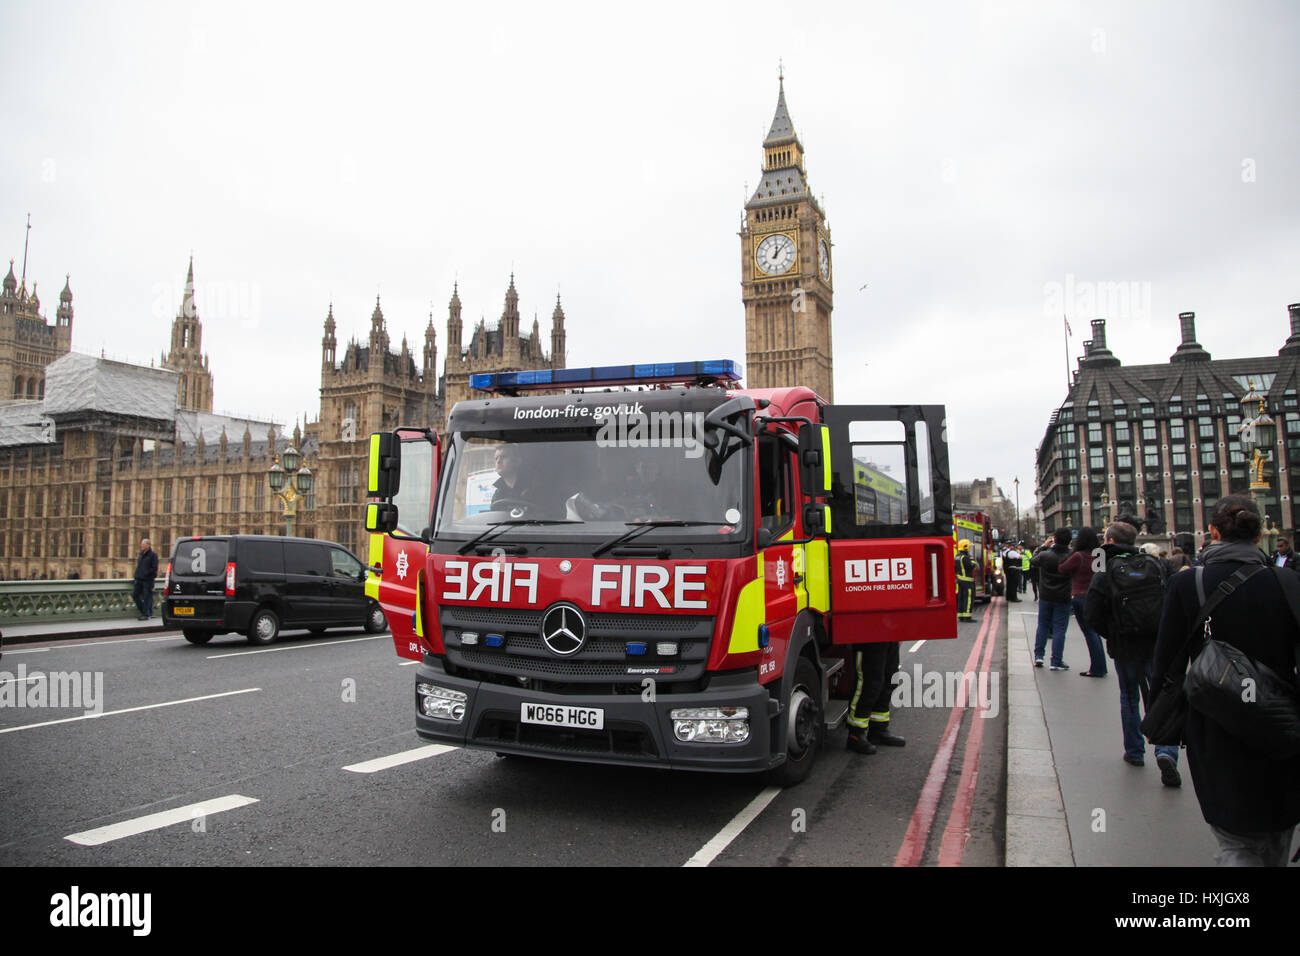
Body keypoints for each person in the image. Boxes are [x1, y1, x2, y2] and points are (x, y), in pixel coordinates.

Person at [1150, 495, 1300, 864]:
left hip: (1216, 723)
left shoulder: (1189, 585)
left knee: (1236, 840)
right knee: (1277, 831)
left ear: (1213, 531)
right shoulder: (1289, 582)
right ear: (1259, 533)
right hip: (1283, 725)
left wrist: (1161, 720)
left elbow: (1166, 662)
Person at [1085, 520, 1181, 785]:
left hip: (1126, 645)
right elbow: (1176, 604)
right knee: (1161, 695)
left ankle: (1135, 751)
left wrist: (1114, 632)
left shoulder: (1105, 568)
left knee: (1129, 697)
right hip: (1158, 645)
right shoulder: (1160, 565)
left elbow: (1091, 613)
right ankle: (1166, 751)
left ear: (1111, 542)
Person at [1058, 526, 1107, 677]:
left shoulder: (1078, 556)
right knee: (1095, 633)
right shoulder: (1100, 555)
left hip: (1080, 596)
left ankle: (1097, 668)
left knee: (1089, 633)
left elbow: (1062, 568)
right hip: (1097, 596)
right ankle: (1100, 666)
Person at [846, 641, 905, 754]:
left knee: (890, 677)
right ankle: (855, 734)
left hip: (889, 631)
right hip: (869, 634)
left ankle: (878, 729)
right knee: (869, 683)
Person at [1031, 528, 1072, 669]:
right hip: (1064, 597)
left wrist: (1043, 546)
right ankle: (1056, 661)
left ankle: (1039, 656)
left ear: (1054, 539)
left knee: (1042, 625)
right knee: (1060, 629)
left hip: (1046, 596)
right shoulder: (1071, 556)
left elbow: (1032, 560)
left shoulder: (1045, 555)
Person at [133, 538, 158, 621]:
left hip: (148, 580)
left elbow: (154, 568)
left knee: (147, 596)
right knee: (135, 595)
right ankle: (145, 611)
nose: (142, 546)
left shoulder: (153, 555)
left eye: (143, 545)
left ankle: (145, 614)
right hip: (139, 579)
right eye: (141, 544)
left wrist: (146, 574)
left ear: (148, 545)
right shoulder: (140, 554)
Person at [955, 540, 975, 623]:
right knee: (968, 598)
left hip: (960, 580)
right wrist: (973, 562)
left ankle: (961, 615)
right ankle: (967, 616)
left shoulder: (957, 556)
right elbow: (970, 567)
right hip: (967, 581)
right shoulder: (965, 558)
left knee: (961, 598)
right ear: (966, 547)